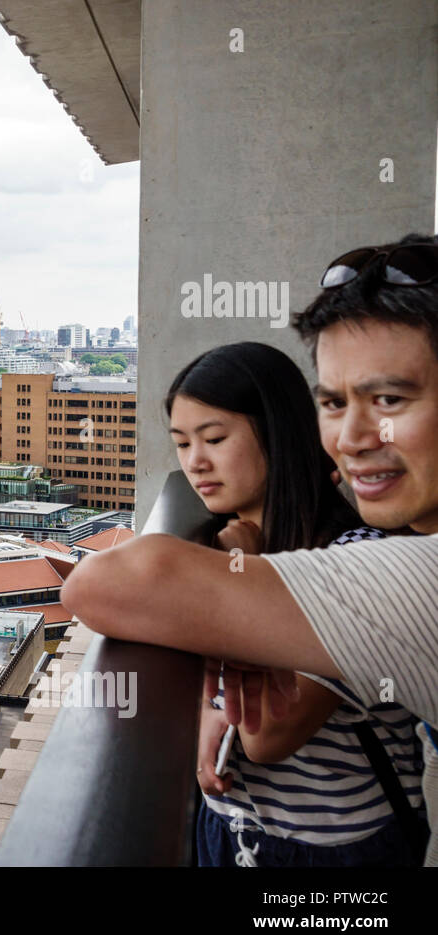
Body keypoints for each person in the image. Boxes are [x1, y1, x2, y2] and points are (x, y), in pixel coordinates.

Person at [61, 234, 438, 865]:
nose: (350, 438)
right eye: (334, 403)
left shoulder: (400, 571)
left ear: (275, 433)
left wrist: (230, 627)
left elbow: (97, 586)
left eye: (390, 400)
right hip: (239, 831)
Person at [165, 341, 423, 865]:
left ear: (279, 436)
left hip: (336, 850)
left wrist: (241, 572)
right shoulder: (217, 546)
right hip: (232, 829)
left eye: (214, 438)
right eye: (181, 443)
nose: (195, 462)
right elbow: (96, 588)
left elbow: (264, 735)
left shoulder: (359, 564)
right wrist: (201, 710)